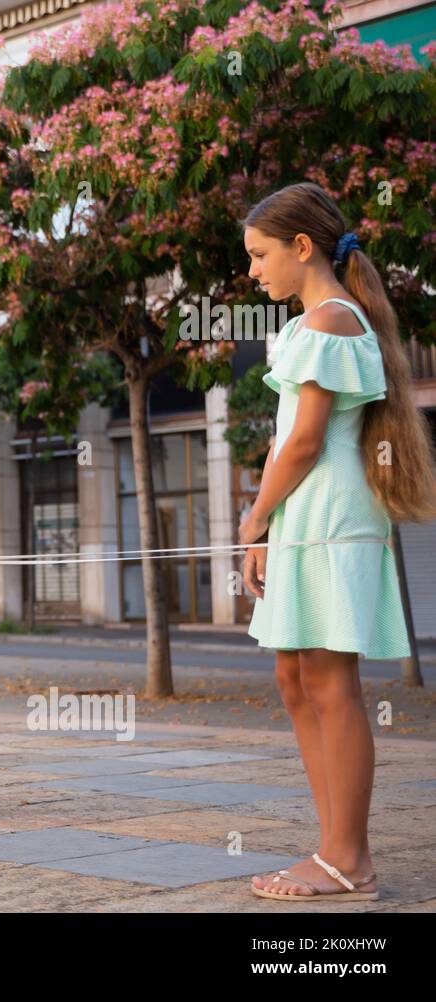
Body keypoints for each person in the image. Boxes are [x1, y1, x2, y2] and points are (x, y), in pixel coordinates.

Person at [242, 182, 436, 901]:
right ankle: (331, 849)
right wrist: (264, 529)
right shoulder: (306, 327)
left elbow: (305, 444)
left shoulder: (331, 324)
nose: (253, 271)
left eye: (261, 255)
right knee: (296, 681)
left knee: (330, 684)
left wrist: (257, 517)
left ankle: (347, 858)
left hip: (329, 522)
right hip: (303, 522)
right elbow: (282, 439)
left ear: (302, 247)